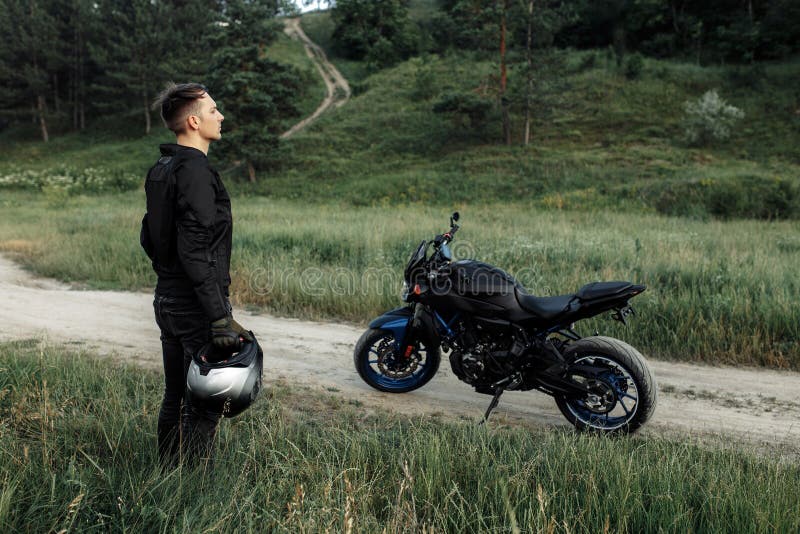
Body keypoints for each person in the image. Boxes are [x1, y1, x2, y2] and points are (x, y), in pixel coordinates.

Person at [142, 82, 252, 467]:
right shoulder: (195, 171)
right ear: (193, 121)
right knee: (204, 404)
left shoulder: (162, 167)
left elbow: (148, 236)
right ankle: (192, 486)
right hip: (195, 306)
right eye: (213, 111)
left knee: (175, 396)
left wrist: (169, 277)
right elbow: (196, 249)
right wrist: (218, 315)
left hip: (167, 299)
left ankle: (167, 475)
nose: (220, 116)